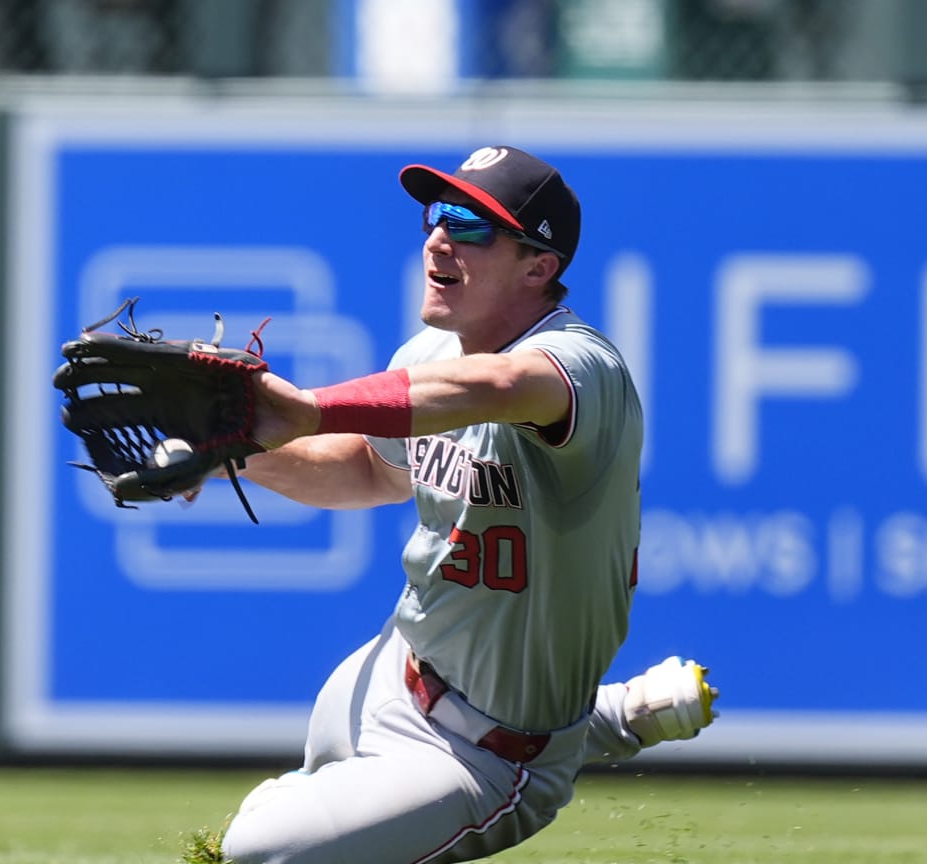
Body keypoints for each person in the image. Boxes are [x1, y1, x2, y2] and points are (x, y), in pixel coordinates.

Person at [198, 146, 718, 864]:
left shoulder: (582, 366)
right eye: (436, 216)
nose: (439, 238)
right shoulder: (428, 355)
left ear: (538, 266)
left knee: (258, 851)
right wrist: (231, 452)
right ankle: (605, 717)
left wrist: (310, 408)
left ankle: (587, 727)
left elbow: (503, 387)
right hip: (389, 672)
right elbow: (367, 471)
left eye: (472, 226)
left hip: (488, 758)